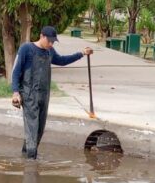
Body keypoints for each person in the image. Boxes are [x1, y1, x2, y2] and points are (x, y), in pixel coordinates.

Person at [11, 26, 93, 159]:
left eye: (53, 42)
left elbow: (62, 61)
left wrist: (81, 54)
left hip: (44, 95)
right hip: (29, 95)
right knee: (32, 128)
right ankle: (31, 165)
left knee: (39, 130)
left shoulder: (50, 52)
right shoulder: (26, 49)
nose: (51, 44)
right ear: (41, 36)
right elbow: (15, 72)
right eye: (49, 41)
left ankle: (25, 155)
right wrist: (15, 92)